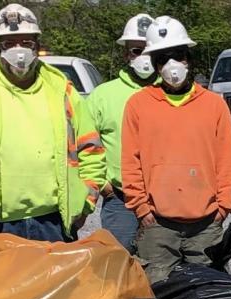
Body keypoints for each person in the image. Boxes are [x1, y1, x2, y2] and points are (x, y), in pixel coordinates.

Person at [0, 3, 106, 243]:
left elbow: (92, 150)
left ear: (37, 45)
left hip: (54, 221)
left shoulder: (62, 90)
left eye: (26, 42)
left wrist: (86, 203)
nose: (19, 50)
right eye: (9, 43)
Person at [122, 16, 231, 282]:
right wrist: (142, 209)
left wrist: (223, 207)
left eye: (178, 56)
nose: (172, 65)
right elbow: (130, 163)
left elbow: (227, 161)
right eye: (163, 58)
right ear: (154, 64)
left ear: (189, 57)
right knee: (158, 297)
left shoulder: (214, 104)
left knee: (210, 295)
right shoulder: (138, 105)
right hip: (157, 227)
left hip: (207, 225)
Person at [85, 13, 158, 252]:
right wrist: (102, 185)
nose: (144, 57)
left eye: (149, 49)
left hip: (165, 201)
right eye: (137, 50)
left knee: (164, 268)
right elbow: (84, 146)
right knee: (120, 266)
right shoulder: (102, 96)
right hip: (119, 200)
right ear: (127, 53)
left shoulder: (172, 92)